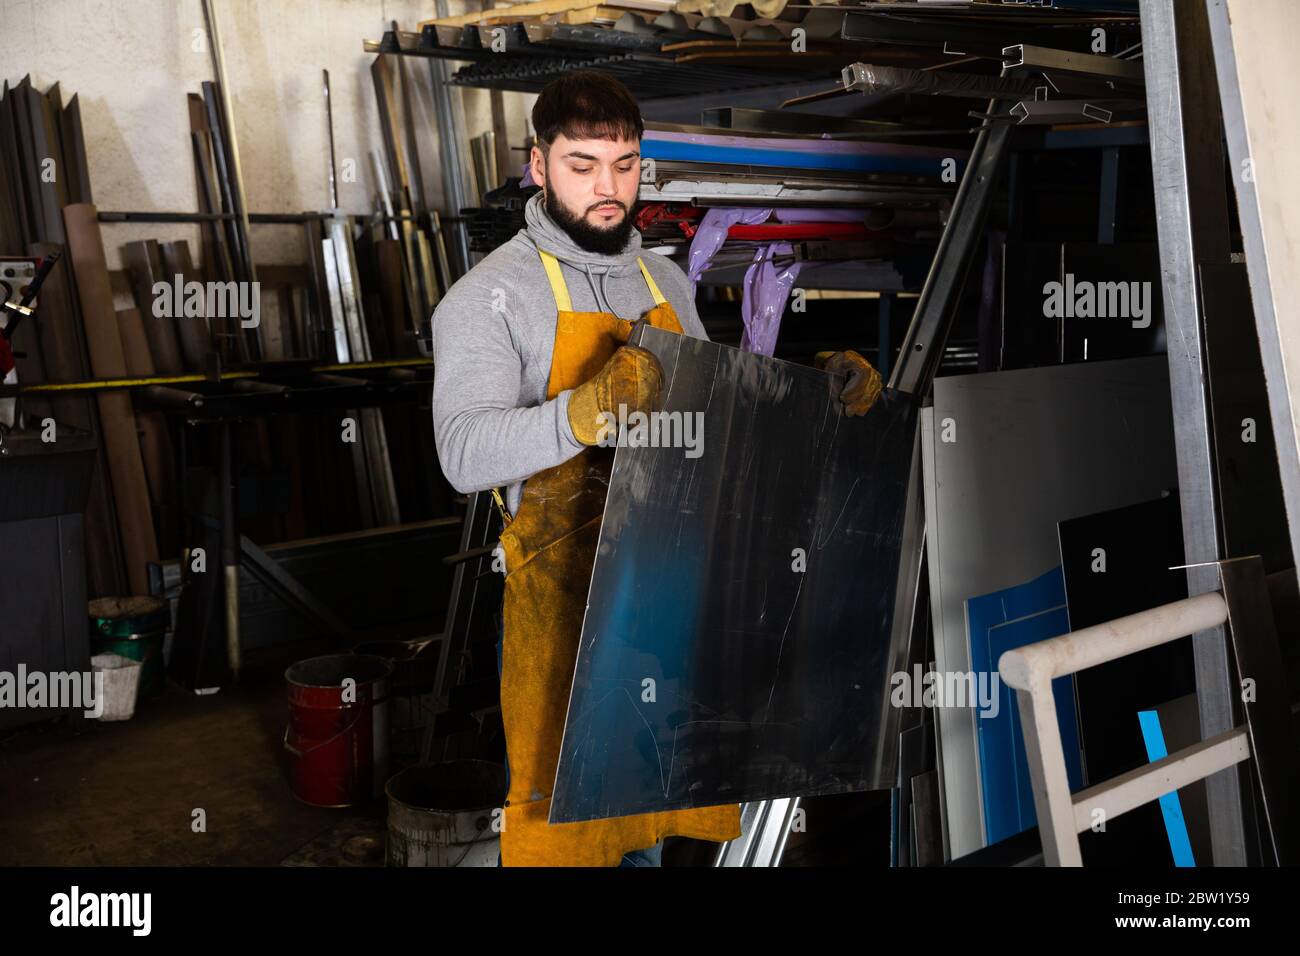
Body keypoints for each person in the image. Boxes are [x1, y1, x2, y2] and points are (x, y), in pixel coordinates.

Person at [430, 70, 883, 867]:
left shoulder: (663, 278)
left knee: (649, 834)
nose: (609, 188)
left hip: (666, 602)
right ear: (537, 166)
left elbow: (715, 418)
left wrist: (817, 397)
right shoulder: (489, 297)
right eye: (582, 165)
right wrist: (584, 411)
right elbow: (463, 454)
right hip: (560, 613)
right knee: (568, 840)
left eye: (625, 163)